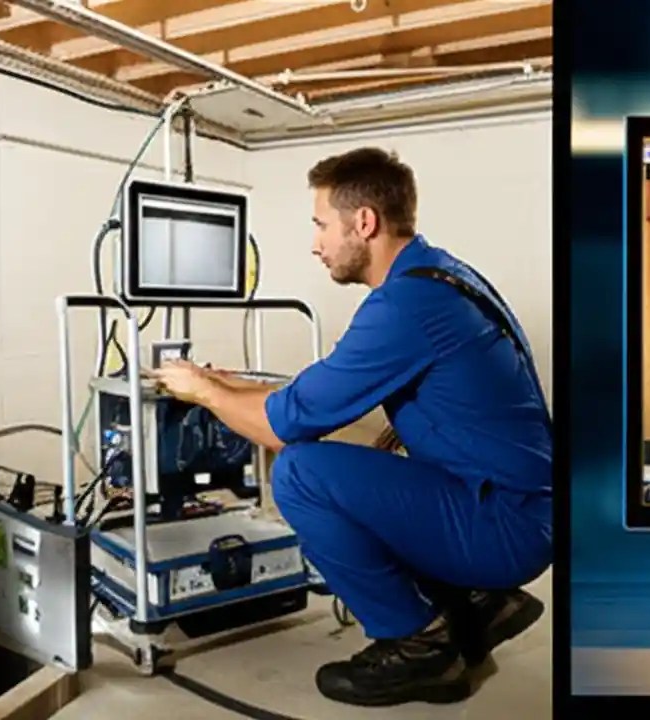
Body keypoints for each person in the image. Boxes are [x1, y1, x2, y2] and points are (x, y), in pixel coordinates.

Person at [148, 147, 552, 707]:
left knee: (299, 472)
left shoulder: (404, 305)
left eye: (320, 225)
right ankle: (477, 601)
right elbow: (313, 394)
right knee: (344, 459)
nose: (315, 243)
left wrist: (203, 392)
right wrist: (230, 384)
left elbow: (282, 428)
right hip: (521, 504)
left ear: (363, 222)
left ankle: (419, 647)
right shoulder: (441, 275)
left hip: (506, 524)